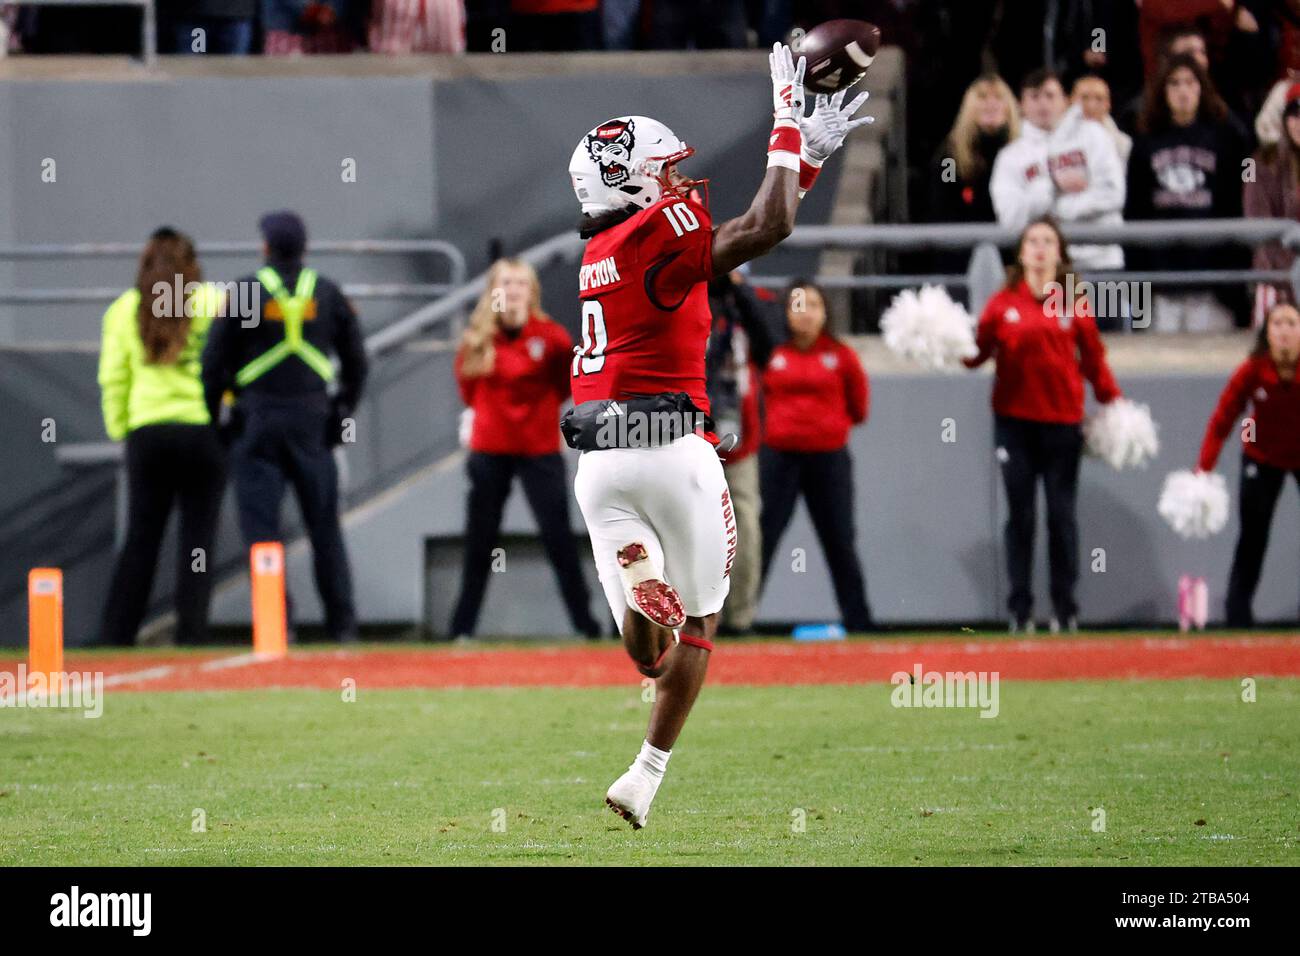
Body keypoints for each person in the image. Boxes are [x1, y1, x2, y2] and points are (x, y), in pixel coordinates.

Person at [562, 46, 870, 828]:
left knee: (643, 654)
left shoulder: (599, 252)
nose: (677, 184)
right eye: (663, 172)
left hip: (599, 467)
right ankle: (645, 773)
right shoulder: (652, 237)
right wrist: (786, 126)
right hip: (674, 449)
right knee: (698, 628)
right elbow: (764, 226)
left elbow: (737, 234)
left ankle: (639, 581)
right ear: (631, 182)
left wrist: (810, 158)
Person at [201, 211, 368, 643]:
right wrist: (342, 410)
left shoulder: (243, 292)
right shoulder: (328, 293)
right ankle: (342, 626)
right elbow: (357, 362)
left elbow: (212, 363)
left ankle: (278, 626)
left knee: (262, 532)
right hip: (313, 422)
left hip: (255, 422)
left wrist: (215, 419)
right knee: (324, 527)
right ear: (304, 248)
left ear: (265, 247)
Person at [964, 217, 1124, 634]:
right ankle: (1020, 610)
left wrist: (1115, 404)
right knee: (1020, 517)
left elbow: (1093, 358)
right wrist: (946, 339)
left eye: (1048, 241)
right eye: (1032, 240)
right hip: (1013, 425)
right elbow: (976, 354)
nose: (1039, 248)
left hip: (1063, 424)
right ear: (1020, 252)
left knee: (1061, 517)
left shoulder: (1072, 299)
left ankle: (1066, 609)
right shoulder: (1002, 302)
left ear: (1060, 252)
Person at [449, 258, 602, 641]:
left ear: (532, 290)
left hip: (538, 448)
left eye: (520, 283)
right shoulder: (477, 338)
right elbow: (467, 389)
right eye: (506, 282)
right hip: (489, 450)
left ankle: (587, 626)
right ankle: (461, 629)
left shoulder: (552, 337)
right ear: (493, 290)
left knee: (558, 537)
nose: (513, 290)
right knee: (479, 540)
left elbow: (566, 385)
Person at [98, 228, 226, 646]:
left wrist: (122, 429)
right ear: (192, 264)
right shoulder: (212, 303)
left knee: (141, 539)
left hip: (147, 434)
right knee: (198, 542)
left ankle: (117, 635)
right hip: (201, 432)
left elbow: (113, 378)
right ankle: (193, 634)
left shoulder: (124, 310)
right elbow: (230, 365)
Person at [757, 280, 873, 633]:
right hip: (779, 459)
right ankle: (735, 619)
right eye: (798, 304)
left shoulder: (841, 355)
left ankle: (859, 622)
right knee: (762, 539)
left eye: (814, 305)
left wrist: (824, 428)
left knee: (840, 541)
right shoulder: (769, 354)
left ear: (826, 313)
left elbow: (860, 408)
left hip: (829, 460)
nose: (805, 312)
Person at [1125, 53, 1247, 332]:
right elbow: (1134, 212)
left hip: (1212, 281)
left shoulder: (1224, 139)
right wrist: (1139, 284)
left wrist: (1233, 281)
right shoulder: (1144, 141)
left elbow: (1233, 206)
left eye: (1190, 83)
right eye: (1174, 83)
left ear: (1202, 88)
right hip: (1159, 281)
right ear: (1162, 91)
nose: (1183, 91)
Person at [1197, 302, 1300, 626]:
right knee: (1253, 537)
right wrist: (1204, 469)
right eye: (1277, 323)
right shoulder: (1252, 369)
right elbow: (1222, 419)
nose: (1284, 331)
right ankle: (1237, 616)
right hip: (1261, 456)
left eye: (1291, 323)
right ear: (1266, 332)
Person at [990, 69, 1126, 274]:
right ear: (1021, 105)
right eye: (1034, 97)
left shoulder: (1094, 135)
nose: (1043, 103)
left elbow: (1113, 194)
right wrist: (1053, 185)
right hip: (1043, 271)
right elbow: (1010, 218)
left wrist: (1055, 211)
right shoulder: (1010, 157)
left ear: (1065, 101)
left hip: (1102, 262)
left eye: (1050, 95)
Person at [705, 268, 777, 636]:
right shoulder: (686, 297)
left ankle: (740, 617)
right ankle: (692, 614)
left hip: (740, 434)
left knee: (745, 525)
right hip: (689, 433)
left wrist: (739, 290)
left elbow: (769, 346)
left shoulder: (749, 303)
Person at [929, 74, 1020, 227]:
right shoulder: (950, 157)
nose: (991, 104)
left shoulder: (1024, 150)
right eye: (983, 97)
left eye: (998, 97)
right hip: (966, 241)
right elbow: (943, 206)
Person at [1244, 82, 1300, 327]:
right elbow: (1256, 222)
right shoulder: (1256, 162)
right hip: (1275, 282)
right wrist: (1282, 278)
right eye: (1295, 114)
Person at [1072, 74, 1132, 166]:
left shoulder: (1123, 145)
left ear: (1108, 104)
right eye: (1084, 98)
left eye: (1099, 99)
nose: (1091, 105)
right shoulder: (1055, 140)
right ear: (1071, 100)